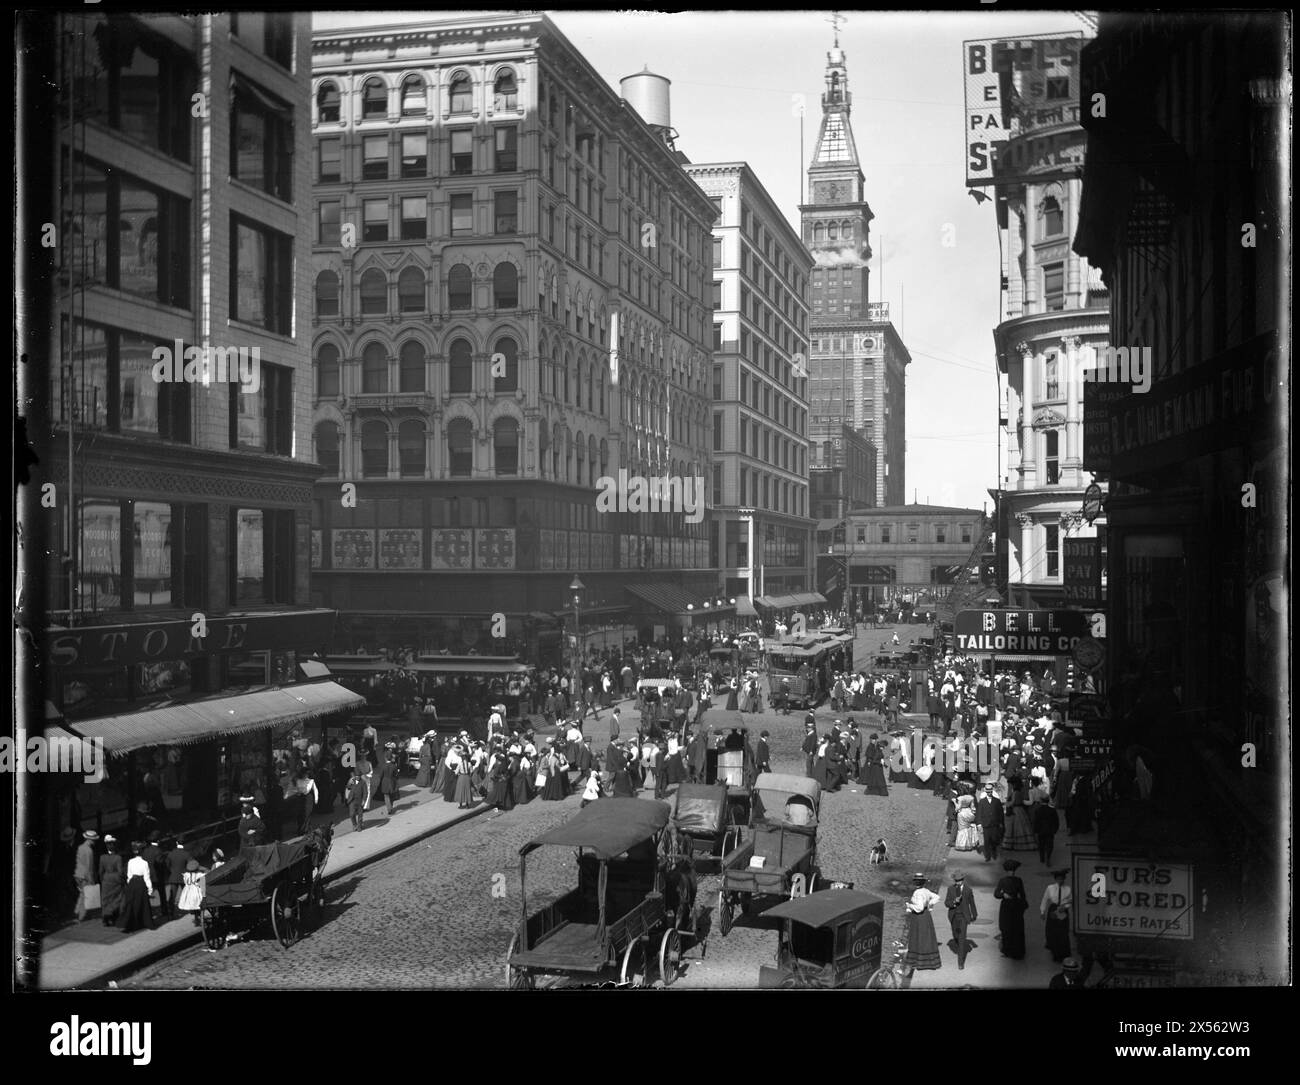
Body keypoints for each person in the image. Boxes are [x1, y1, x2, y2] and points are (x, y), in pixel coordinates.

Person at [903, 874, 942, 972]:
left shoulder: (918, 893)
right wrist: (929, 904)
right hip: (926, 916)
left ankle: (918, 962)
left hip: (919, 917)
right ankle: (931, 961)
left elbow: (919, 908)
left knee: (918, 937)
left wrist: (910, 906)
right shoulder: (926, 891)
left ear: (916, 883)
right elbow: (937, 897)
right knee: (927, 937)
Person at [993, 859, 1028, 959]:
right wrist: (1004, 894)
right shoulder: (1015, 880)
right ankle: (1013, 950)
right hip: (1012, 906)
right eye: (1010, 870)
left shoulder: (1007, 881)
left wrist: (1003, 895)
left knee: (1010, 928)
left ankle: (1010, 950)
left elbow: (997, 894)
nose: (1011, 872)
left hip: (1010, 906)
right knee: (1011, 928)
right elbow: (996, 894)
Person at [944, 872, 978, 970]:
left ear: (963, 880)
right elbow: (946, 903)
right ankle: (959, 946)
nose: (958, 882)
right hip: (954, 916)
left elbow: (972, 903)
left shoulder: (968, 890)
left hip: (964, 917)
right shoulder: (950, 889)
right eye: (956, 881)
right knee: (956, 936)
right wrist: (954, 902)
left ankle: (960, 962)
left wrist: (974, 914)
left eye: (959, 881)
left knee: (962, 939)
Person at [120, 842, 155, 933]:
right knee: (142, 904)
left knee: (131, 904)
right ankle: (145, 922)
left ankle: (130, 923)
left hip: (132, 883)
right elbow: (147, 877)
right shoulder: (145, 863)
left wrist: (130, 884)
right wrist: (150, 889)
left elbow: (129, 875)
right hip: (140, 882)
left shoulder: (130, 862)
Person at [1041, 868, 1073, 962]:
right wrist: (1042, 912)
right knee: (1052, 932)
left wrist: (1065, 907)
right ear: (1055, 879)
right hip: (1053, 910)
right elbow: (1045, 899)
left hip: (1063, 910)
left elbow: (1070, 901)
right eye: (1059, 879)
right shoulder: (1050, 888)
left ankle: (1063, 953)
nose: (1060, 881)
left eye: (1062, 879)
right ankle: (1054, 951)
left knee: (1063, 932)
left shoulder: (1068, 889)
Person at [1003, 776, 1036, 851]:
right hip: (1020, 810)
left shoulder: (1015, 793)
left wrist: (1007, 804)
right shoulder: (1019, 792)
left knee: (1015, 828)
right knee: (1022, 827)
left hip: (1016, 810)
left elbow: (1013, 802)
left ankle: (1015, 845)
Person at [98, 836, 125, 927]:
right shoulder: (118, 858)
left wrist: (103, 879)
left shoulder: (102, 857)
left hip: (106, 879)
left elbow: (100, 871)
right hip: (115, 879)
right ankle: (113, 917)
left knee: (106, 899)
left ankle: (105, 917)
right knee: (116, 898)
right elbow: (120, 871)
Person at [165, 838, 195, 919]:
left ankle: (171, 913)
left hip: (173, 876)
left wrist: (172, 871)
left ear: (176, 843)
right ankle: (192, 910)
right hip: (184, 877)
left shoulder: (171, 853)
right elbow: (192, 864)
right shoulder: (186, 854)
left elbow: (167, 865)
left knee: (172, 896)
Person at [74, 829, 99, 923]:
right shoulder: (89, 851)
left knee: (81, 893)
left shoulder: (80, 847)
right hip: (85, 876)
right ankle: (81, 916)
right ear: (91, 840)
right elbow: (89, 866)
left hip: (78, 874)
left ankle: (76, 911)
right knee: (86, 895)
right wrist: (92, 880)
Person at [976, 782, 1004, 862]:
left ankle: (994, 853)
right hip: (986, 824)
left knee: (994, 840)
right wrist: (979, 824)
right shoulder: (982, 801)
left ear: (992, 790)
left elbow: (1000, 812)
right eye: (987, 791)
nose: (989, 792)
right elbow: (979, 813)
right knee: (987, 841)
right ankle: (988, 856)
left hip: (995, 824)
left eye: (990, 790)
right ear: (985, 791)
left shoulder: (997, 801)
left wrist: (1001, 822)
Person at [177, 859, 205, 925]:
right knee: (198, 904)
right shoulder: (200, 875)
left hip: (188, 892)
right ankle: (200, 917)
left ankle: (196, 918)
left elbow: (185, 882)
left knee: (193, 905)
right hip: (196, 891)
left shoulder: (186, 875)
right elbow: (203, 885)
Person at [1033, 799, 1060, 866]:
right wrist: (1055, 830)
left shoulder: (1038, 810)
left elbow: (1036, 821)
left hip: (1041, 830)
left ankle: (1042, 858)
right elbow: (1056, 821)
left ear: (1041, 802)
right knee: (1049, 845)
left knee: (1041, 845)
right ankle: (1048, 857)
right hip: (1050, 830)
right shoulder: (1052, 810)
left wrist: (1036, 830)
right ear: (1048, 802)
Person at [375, 750, 400, 816]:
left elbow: (380, 775)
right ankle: (391, 807)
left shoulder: (383, 766)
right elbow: (397, 775)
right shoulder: (394, 766)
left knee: (386, 796)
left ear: (385, 757)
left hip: (385, 782)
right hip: (392, 781)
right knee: (392, 796)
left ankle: (389, 809)